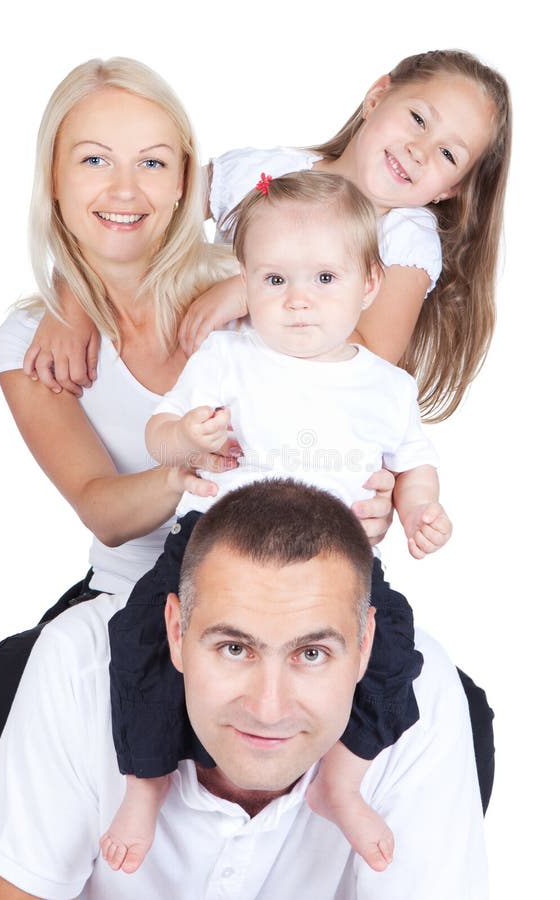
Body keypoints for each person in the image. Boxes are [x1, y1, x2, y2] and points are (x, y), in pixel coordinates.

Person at [0, 58, 392, 900]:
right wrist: (183, 467)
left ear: (189, 180)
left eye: (155, 161)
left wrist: (366, 493)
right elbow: (104, 510)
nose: (126, 186)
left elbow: (346, 325)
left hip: (279, 585)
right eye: (93, 158)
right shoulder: (33, 340)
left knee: (455, 707)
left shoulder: (254, 286)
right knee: (5, 698)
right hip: (129, 585)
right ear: (51, 175)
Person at [105, 170, 453, 874]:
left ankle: (340, 785)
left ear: (368, 285)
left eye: (324, 278)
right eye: (273, 281)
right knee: (140, 639)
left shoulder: (385, 386)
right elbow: (159, 428)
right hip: (212, 549)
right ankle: (143, 785)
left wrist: (422, 509)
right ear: (247, 282)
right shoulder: (228, 358)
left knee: (394, 653)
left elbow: (415, 462)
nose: (297, 300)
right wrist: (184, 439)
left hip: (333, 567)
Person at [0, 480, 488, 900]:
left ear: (367, 644)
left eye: (311, 654)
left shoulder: (427, 693)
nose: (268, 708)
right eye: (235, 649)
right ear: (176, 631)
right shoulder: (76, 665)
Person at [26, 49, 512, 427]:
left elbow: (371, 355)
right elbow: (130, 221)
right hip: (191, 402)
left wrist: (248, 289)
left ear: (451, 190)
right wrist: (69, 301)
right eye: (419, 120)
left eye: (448, 154)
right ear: (377, 96)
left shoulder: (404, 236)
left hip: (290, 433)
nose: (419, 150)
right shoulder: (263, 173)